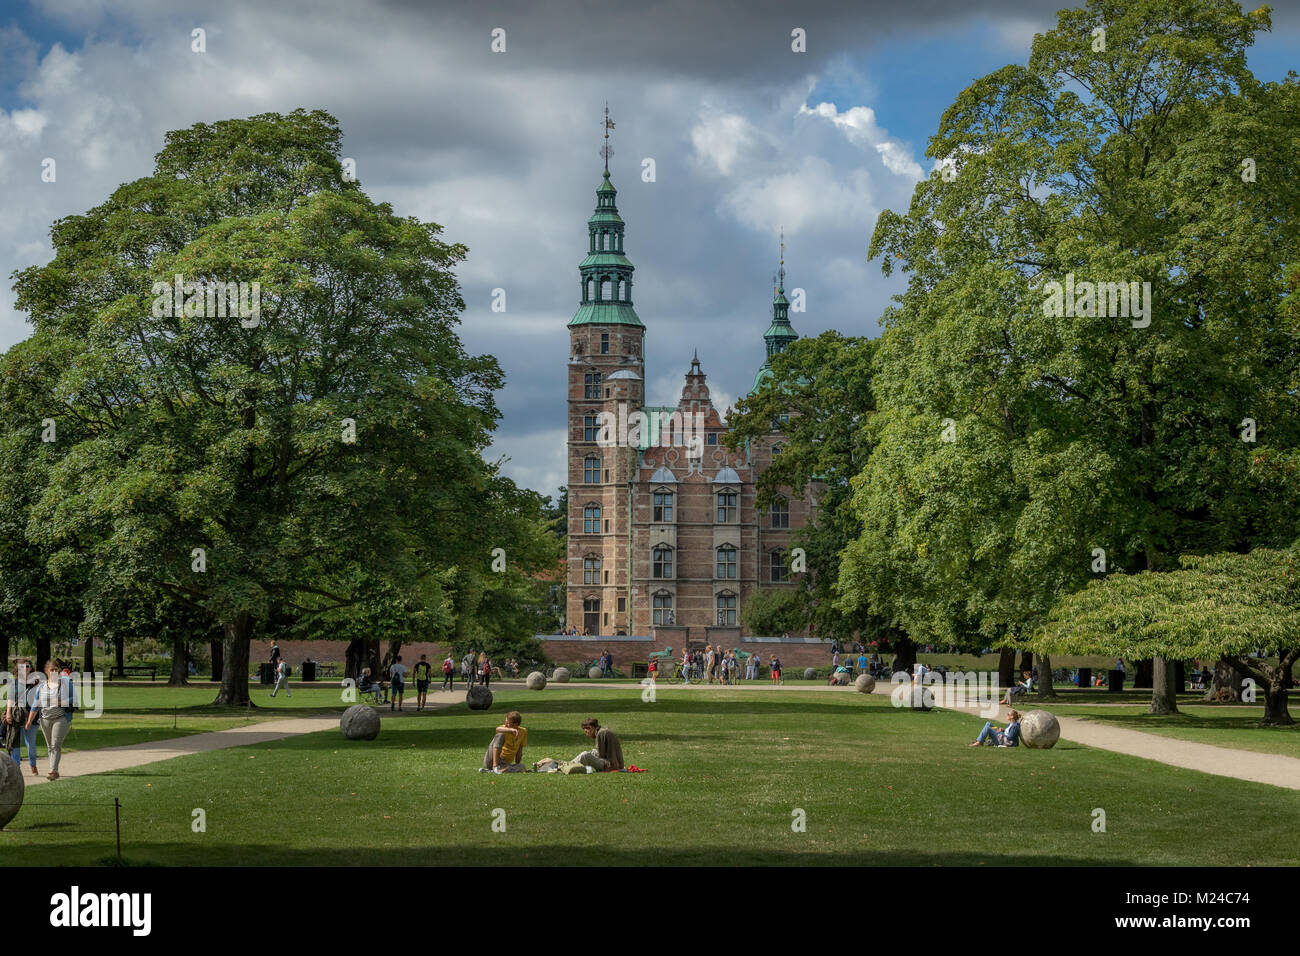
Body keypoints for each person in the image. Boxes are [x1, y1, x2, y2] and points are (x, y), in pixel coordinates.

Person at [28, 659, 74, 780]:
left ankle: (52, 771)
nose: (54, 671)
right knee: (50, 746)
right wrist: (29, 721)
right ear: (46, 671)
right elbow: (35, 704)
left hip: (61, 718)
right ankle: (54, 770)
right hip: (45, 719)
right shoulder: (41, 687)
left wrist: (60, 702)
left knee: (55, 745)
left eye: (56, 669)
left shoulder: (66, 683)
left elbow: (74, 699)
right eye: (51, 669)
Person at [4, 662, 40, 777]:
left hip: (32, 716)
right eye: (22, 667)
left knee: (31, 745)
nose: (25, 668)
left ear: (31, 669)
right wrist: (8, 713)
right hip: (17, 716)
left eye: (28, 666)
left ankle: (33, 764)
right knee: (15, 742)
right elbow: (10, 699)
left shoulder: (36, 683)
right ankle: (16, 768)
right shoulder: (14, 683)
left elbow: (39, 700)